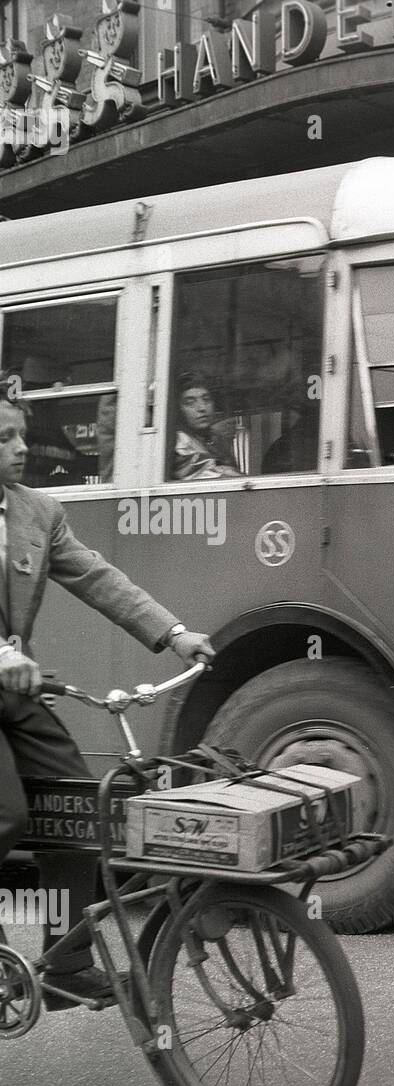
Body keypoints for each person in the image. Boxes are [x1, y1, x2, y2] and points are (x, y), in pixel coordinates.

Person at [0, 397, 214, 1004]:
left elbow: (98, 577)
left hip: (16, 695)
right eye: (5, 438)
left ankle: (65, 962)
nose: (21, 448)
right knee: (6, 813)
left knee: (78, 810)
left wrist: (174, 635)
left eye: (21, 435)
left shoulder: (37, 512)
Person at [172, 374, 240, 481]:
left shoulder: (215, 440)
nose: (202, 408)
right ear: (178, 410)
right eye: (190, 403)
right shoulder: (178, 441)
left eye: (206, 400)